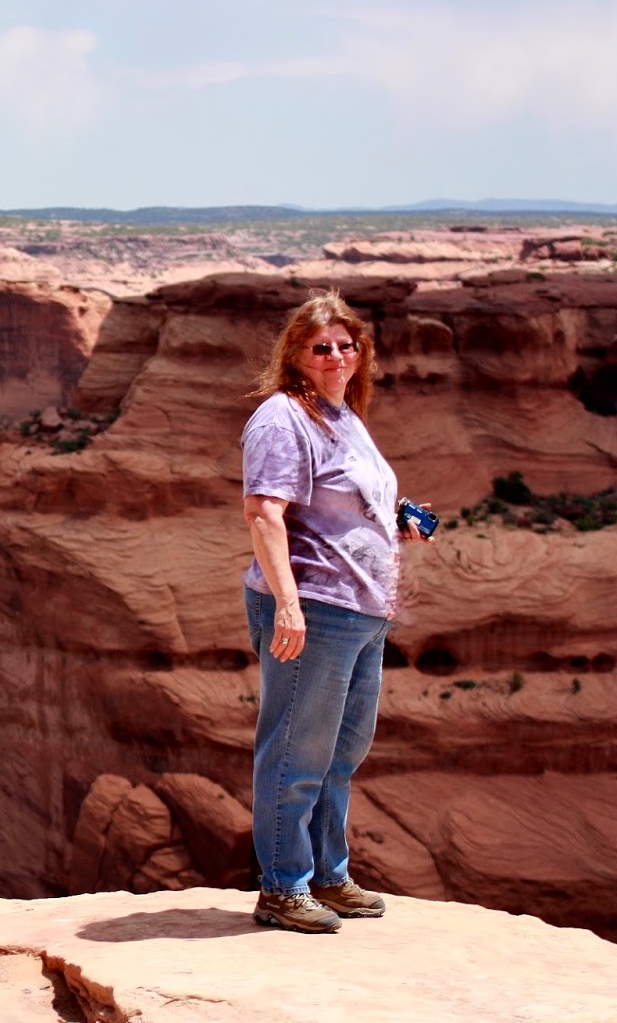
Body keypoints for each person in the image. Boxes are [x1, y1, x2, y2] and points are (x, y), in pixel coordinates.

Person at [240, 288, 430, 934]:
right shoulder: (282, 417)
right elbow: (265, 514)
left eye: (346, 345)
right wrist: (288, 607)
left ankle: (327, 876)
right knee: (296, 752)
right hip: (315, 607)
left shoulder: (342, 415)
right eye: (320, 346)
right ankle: (282, 889)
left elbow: (342, 500)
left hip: (363, 611)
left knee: (341, 753)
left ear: (360, 352)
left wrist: (395, 519)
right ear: (295, 353)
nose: (335, 355)